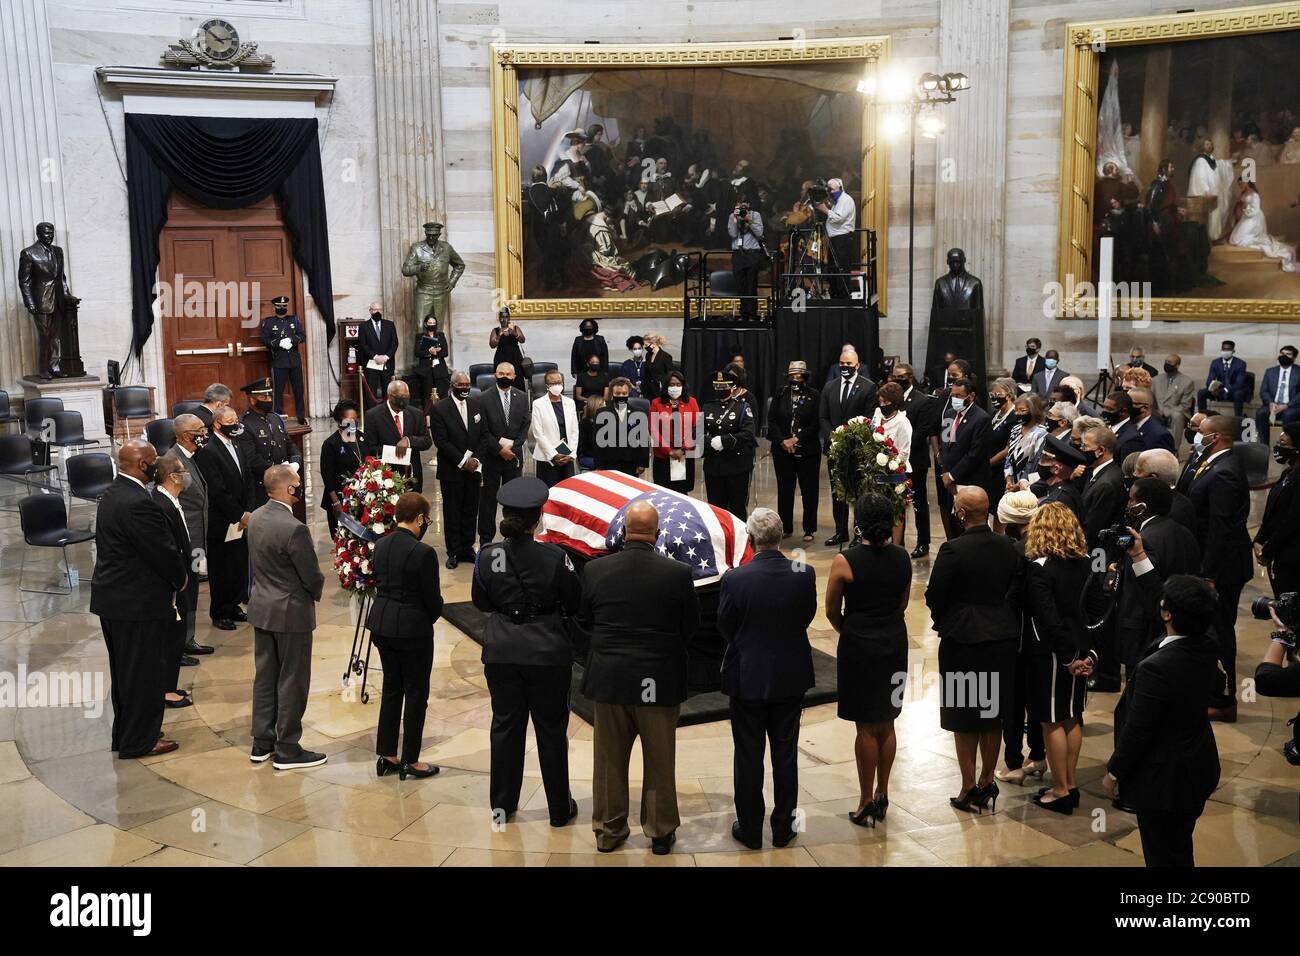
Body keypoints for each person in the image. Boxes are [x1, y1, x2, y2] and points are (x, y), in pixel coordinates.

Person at [579, 500, 700, 854]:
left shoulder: (595, 571)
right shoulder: (676, 573)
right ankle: (660, 832)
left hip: (611, 679)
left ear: (623, 532)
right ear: (657, 534)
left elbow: (584, 622)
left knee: (608, 761)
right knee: (660, 758)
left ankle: (609, 832)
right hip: (658, 681)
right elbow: (689, 626)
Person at [473, 478, 581, 825]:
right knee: (551, 730)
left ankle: (503, 807)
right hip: (547, 652)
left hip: (502, 651)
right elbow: (574, 600)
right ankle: (558, 810)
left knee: (505, 727)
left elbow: (481, 601)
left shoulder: (489, 556)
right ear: (537, 518)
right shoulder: (554, 557)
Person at [1104, 575, 1222, 866]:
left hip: (1165, 782)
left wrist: (1115, 771)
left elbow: (1139, 729)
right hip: (1197, 766)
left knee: (1164, 855)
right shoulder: (1206, 646)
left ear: (1167, 613)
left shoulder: (1157, 668)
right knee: (1179, 847)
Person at [717, 508, 816, 848]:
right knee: (785, 755)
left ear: (751, 538)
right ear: (780, 535)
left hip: (748, 677)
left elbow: (725, 627)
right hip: (790, 676)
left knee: (748, 755)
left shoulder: (734, 578)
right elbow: (805, 617)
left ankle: (749, 828)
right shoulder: (804, 574)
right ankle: (784, 828)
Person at [925, 486, 1019, 814]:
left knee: (964, 715)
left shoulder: (953, 549)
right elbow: (1016, 589)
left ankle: (967, 786)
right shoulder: (1009, 546)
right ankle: (986, 780)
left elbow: (934, 595)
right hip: (1002, 637)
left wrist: (947, 620)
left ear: (961, 513)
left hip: (963, 639)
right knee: (992, 715)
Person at [91, 440, 187, 758]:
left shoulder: (113, 492)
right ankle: (139, 741)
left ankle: (127, 735)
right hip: (137, 603)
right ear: (142, 465)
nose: (157, 464)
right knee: (143, 673)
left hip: (115, 600)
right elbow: (161, 551)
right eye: (153, 460)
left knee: (125, 673)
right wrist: (181, 577)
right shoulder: (138, 502)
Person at [826, 492, 910, 826]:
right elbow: (902, 604)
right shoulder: (902, 558)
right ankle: (883, 792)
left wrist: (850, 628)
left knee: (866, 726)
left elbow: (832, 610)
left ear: (857, 521)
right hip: (893, 641)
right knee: (887, 721)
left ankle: (864, 801)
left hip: (859, 645)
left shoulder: (845, 561)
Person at [247, 464, 326, 770]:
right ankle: (288, 747)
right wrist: (315, 591)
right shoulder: (294, 528)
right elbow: (310, 575)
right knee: (293, 679)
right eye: (296, 484)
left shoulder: (254, 517)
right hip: (290, 612)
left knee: (265, 676)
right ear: (287, 489)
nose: (299, 488)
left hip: (262, 606)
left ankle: (261, 741)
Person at [1022, 503, 1097, 814]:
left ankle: (1060, 789)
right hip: (1081, 648)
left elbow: (1048, 619)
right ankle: (1071, 783)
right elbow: (1094, 612)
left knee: (1051, 719)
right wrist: (1088, 653)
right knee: (1072, 716)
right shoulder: (1086, 563)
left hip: (1053, 654)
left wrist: (1066, 658)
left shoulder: (1039, 568)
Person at [368, 492, 444, 780]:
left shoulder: (381, 544)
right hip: (412, 630)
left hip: (382, 624)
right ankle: (410, 760)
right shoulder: (423, 553)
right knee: (415, 693)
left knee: (391, 689)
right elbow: (432, 600)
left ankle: (387, 754)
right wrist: (428, 617)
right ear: (420, 518)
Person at [1187, 415, 1253, 721]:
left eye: (1201, 434)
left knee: (1220, 630)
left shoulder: (1225, 471)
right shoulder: (1214, 462)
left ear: (1216, 437)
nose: (1196, 437)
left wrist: (1209, 574)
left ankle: (1226, 699)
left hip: (1223, 568)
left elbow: (1220, 527)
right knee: (1212, 629)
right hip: (1215, 562)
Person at [993, 490, 1047, 786]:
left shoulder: (1014, 551)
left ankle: (1013, 761)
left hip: (1017, 634)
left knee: (1013, 701)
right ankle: (1038, 754)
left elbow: (1011, 596)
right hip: (1043, 634)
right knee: (1037, 698)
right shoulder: (1048, 542)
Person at [195, 406, 253, 631]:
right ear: (218, 424)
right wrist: (238, 514)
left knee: (239, 563)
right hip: (223, 519)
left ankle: (234, 604)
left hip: (241, 516)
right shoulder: (209, 451)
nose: (235, 424)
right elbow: (217, 490)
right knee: (222, 567)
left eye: (236, 419)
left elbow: (247, 479)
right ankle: (220, 611)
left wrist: (247, 510)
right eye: (230, 421)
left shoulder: (236, 444)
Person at [152, 456, 198, 710]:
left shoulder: (171, 500)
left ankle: (170, 685)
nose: (186, 475)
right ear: (173, 476)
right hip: (173, 583)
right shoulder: (160, 505)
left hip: (183, 575)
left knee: (177, 638)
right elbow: (167, 549)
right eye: (183, 471)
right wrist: (180, 579)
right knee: (171, 639)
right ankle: (167, 690)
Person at [820, 348, 878, 545]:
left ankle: (858, 533)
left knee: (857, 493)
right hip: (834, 448)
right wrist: (833, 437)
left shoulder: (868, 387)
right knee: (838, 492)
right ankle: (840, 531)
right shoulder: (829, 387)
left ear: (857, 366)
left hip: (856, 450)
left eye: (849, 364)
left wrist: (847, 437)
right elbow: (823, 417)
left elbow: (867, 418)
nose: (845, 367)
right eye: (842, 364)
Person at [429, 370, 484, 569]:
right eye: (461, 385)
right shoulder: (440, 408)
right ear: (452, 386)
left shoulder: (476, 405)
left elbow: (483, 435)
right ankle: (453, 551)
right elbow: (441, 441)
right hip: (452, 469)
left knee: (471, 509)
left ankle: (467, 547)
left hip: (473, 469)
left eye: (467, 384)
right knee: (452, 511)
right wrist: (463, 461)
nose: (465, 388)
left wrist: (476, 459)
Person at [171, 414, 212, 659]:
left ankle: (189, 638)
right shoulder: (172, 462)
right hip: (186, 540)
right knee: (184, 592)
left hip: (198, 540)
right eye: (200, 430)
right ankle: (180, 643)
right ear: (186, 435)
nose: (204, 433)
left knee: (194, 588)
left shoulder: (190, 457)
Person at [478, 362, 531, 546]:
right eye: (501, 373)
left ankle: (513, 536)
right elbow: (483, 430)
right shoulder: (484, 398)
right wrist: (499, 449)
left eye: (509, 373)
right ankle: (486, 539)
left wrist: (513, 449)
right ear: (495, 374)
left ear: (515, 376)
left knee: (513, 499)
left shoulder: (522, 397)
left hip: (514, 458)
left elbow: (525, 426)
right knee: (488, 501)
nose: (505, 376)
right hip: (491, 458)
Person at [768, 361, 820, 541]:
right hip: (783, 450)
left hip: (807, 449)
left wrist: (796, 439)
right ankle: (786, 527)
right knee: (785, 489)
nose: (795, 379)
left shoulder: (814, 395)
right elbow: (772, 420)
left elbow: (816, 424)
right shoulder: (781, 393)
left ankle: (809, 528)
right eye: (792, 376)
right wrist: (783, 440)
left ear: (805, 377)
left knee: (809, 489)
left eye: (799, 376)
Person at [933, 378, 991, 541]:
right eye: (953, 395)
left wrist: (952, 475)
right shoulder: (950, 414)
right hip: (948, 480)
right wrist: (945, 471)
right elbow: (944, 443)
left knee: (969, 530)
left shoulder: (981, 418)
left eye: (959, 395)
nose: (955, 399)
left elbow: (975, 454)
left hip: (969, 480)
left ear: (970, 396)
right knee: (952, 526)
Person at [891, 362, 939, 557]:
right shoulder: (892, 397)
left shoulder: (921, 400)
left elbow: (923, 430)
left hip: (915, 459)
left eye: (900, 377)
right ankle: (897, 540)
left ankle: (923, 541)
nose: (896, 380)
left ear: (910, 377)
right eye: (894, 376)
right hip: (892, 460)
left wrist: (902, 448)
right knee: (896, 501)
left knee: (918, 502)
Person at [703, 364, 757, 519]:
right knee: (715, 509)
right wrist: (710, 441)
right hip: (714, 467)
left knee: (737, 509)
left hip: (736, 466)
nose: (720, 390)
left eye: (724, 386)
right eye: (717, 386)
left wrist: (725, 441)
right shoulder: (707, 407)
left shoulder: (743, 408)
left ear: (732, 387)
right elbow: (697, 434)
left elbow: (748, 434)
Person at [239, 377, 302, 508]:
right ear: (252, 399)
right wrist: (280, 469)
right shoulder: (245, 424)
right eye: (264, 397)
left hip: (285, 485)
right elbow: (252, 459)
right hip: (262, 488)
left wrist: (295, 462)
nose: (269, 400)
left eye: (270, 396)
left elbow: (289, 444)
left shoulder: (275, 418)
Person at [1255, 422, 1300, 596]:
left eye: (1283, 445)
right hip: (1278, 554)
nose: (1278, 449)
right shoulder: (1287, 474)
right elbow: (1271, 513)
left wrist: (1267, 550)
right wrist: (1259, 540)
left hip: (1293, 557)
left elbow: (1292, 522)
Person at [871, 381, 913, 544]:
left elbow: (904, 452)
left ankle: (896, 546)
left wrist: (890, 464)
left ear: (895, 403)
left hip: (896, 473)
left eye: (886, 402)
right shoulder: (877, 416)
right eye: (880, 402)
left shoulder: (903, 423)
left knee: (895, 512)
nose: (882, 405)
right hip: (876, 472)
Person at [319, 400, 364, 539]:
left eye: (355, 420)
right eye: (348, 420)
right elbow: (327, 476)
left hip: (360, 496)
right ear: (340, 421)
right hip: (339, 498)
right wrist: (336, 502)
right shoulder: (331, 444)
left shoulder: (361, 437)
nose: (352, 423)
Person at [649, 370, 700, 494]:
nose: (675, 387)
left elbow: (696, 428)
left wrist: (682, 450)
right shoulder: (656, 403)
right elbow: (653, 429)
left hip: (684, 456)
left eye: (678, 384)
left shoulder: (691, 402)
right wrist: (669, 451)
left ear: (683, 386)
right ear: (666, 386)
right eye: (672, 384)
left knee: (681, 494)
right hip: (663, 456)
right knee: (663, 493)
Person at [529, 369, 579, 487]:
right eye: (553, 383)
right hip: (547, 457)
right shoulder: (538, 404)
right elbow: (538, 433)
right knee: (548, 492)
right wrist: (553, 454)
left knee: (566, 492)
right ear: (547, 386)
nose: (557, 385)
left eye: (559, 382)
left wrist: (571, 454)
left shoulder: (570, 402)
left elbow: (574, 431)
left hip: (567, 455)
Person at [260, 295, 306, 422]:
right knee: (277, 391)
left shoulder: (294, 320)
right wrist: (278, 343)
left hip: (294, 360)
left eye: (284, 306)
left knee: (299, 390)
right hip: (279, 361)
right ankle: (277, 417)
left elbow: (302, 335)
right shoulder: (269, 322)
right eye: (280, 306)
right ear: (275, 307)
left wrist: (292, 339)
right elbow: (264, 339)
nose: (282, 308)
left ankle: (301, 416)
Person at [591, 377, 649, 475]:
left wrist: (642, 463)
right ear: (612, 394)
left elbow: (643, 440)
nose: (621, 396)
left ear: (629, 392)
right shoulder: (602, 413)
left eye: (624, 393)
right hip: (609, 463)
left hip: (631, 462)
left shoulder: (639, 412)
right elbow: (597, 441)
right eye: (618, 393)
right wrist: (598, 464)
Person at [1134, 448, 1197, 533]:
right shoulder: (1155, 500)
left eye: (1138, 470)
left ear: (1152, 478)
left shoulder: (1173, 513)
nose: (1134, 474)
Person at [818, 177, 857, 298]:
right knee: (832, 267)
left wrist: (825, 210)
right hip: (834, 238)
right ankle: (834, 292)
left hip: (842, 238)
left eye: (832, 190)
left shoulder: (846, 200)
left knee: (842, 267)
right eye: (829, 190)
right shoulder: (837, 201)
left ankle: (843, 295)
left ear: (840, 188)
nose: (830, 192)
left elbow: (838, 218)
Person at [728, 198, 765, 319]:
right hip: (738, 254)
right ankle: (743, 314)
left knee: (751, 285)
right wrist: (735, 218)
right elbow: (733, 234)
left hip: (752, 254)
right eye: (739, 204)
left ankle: (752, 314)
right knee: (740, 286)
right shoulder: (732, 216)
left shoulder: (755, 215)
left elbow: (759, 233)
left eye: (744, 203)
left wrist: (749, 221)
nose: (742, 207)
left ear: (749, 204)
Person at [1255, 345, 1299, 445]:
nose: (1284, 356)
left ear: (1294, 358)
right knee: (1261, 413)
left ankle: (1288, 444)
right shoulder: (1270, 371)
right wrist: (1270, 403)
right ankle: (1264, 446)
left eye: (1288, 354)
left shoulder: (1298, 371)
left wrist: (1286, 405)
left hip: (1292, 406)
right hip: (1273, 405)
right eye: (1282, 353)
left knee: (1288, 415)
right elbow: (1263, 391)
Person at [1003, 392, 1048, 490]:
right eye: (1016, 410)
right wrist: (1009, 480)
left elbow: (1035, 463)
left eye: (1022, 410)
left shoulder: (1041, 433)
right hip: (1012, 482)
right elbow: (1009, 457)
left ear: (1034, 411)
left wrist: (1021, 485)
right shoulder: (1015, 429)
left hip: (1028, 485)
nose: (1018, 414)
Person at [1033, 435, 1086, 517]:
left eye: (1043, 461)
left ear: (1056, 469)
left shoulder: (1053, 503)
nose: (1039, 464)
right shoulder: (1068, 489)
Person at [357, 301, 398, 407]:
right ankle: (371, 417)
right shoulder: (363, 326)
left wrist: (386, 357)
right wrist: (375, 357)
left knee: (388, 392)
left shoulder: (390, 325)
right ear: (370, 311)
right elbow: (363, 345)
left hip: (387, 364)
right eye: (375, 309)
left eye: (379, 309)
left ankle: (388, 415)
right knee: (370, 393)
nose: (377, 312)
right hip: (371, 364)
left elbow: (394, 343)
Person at [986, 377, 1018, 511]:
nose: (994, 398)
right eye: (992, 395)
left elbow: (1009, 448)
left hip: (1002, 469)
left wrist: (989, 462)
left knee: (999, 509)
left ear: (1009, 395)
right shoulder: (994, 414)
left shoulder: (1015, 416)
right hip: (988, 468)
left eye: (998, 395)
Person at [1153, 354, 1196, 452]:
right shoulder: (1156, 380)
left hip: (1174, 413)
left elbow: (1185, 405)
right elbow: (1150, 399)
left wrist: (1165, 412)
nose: (1167, 364)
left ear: (1177, 365)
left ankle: (1174, 450)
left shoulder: (1187, 382)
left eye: (1170, 363)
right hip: (1156, 413)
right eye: (1166, 362)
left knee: (1177, 416)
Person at [1196, 340, 1249, 417]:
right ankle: (1203, 417)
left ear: (1233, 351)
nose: (1225, 351)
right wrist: (1212, 389)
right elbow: (1209, 380)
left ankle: (1238, 419)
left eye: (1228, 349)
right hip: (1218, 391)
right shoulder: (1215, 362)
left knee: (1238, 394)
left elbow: (1239, 383)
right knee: (1202, 392)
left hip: (1233, 391)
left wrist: (1225, 390)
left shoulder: (1240, 364)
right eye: (1224, 349)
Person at [412, 313, 451, 414]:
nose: (432, 324)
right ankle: (428, 419)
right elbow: (417, 353)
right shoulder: (420, 336)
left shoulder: (441, 335)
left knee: (442, 395)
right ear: (425, 324)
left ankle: (443, 416)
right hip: (426, 370)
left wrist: (436, 352)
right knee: (427, 396)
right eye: (430, 323)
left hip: (439, 369)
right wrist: (429, 351)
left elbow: (445, 352)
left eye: (434, 323)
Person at [1102, 389, 1145, 464]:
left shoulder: (1132, 439)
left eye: (1110, 409)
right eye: (1104, 407)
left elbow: (1126, 469)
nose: (1104, 412)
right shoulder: (1106, 428)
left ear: (1123, 412)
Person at [1128, 387, 1174, 452]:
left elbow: (1163, 461)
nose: (1126, 407)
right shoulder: (1127, 426)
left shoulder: (1160, 435)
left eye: (1131, 404)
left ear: (1145, 407)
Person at [489, 307, 527, 377]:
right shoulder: (496, 330)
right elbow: (492, 345)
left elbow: (522, 340)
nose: (504, 319)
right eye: (502, 317)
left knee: (517, 378)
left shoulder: (515, 328)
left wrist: (514, 333)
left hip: (515, 357)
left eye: (506, 317)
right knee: (502, 377)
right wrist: (499, 336)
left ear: (509, 318)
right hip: (501, 357)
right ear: (499, 318)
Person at [642, 333, 674, 402]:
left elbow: (669, 375)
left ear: (653, 344)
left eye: (646, 345)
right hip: (648, 389)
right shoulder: (648, 355)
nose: (644, 347)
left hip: (660, 389)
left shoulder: (666, 357)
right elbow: (647, 372)